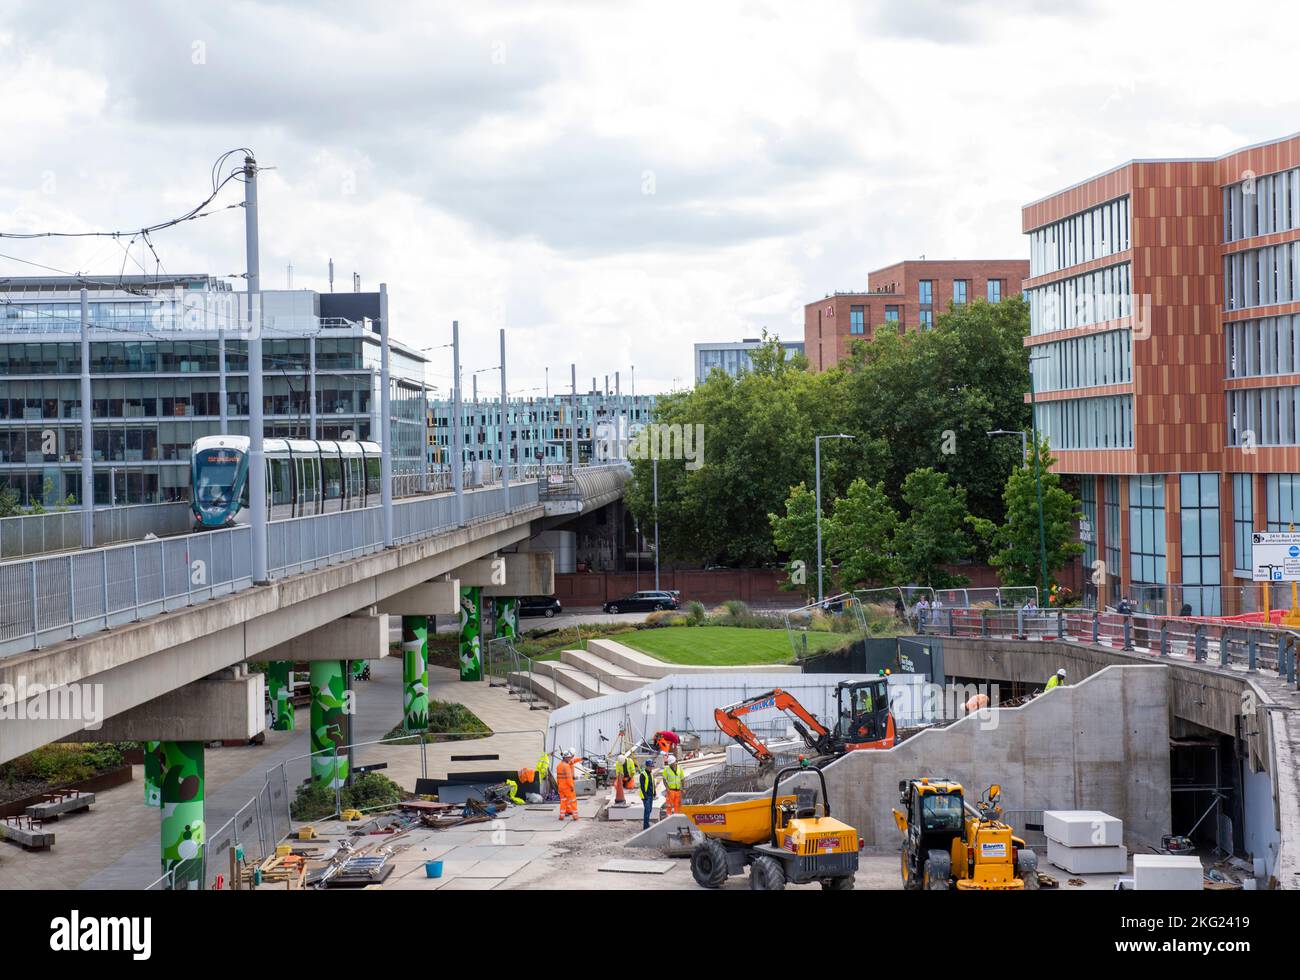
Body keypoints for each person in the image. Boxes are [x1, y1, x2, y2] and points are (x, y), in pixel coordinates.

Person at [556, 748, 582, 821]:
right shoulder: (566, 766)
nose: (570, 758)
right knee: (573, 801)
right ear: (566, 757)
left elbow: (558, 777)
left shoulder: (558, 765)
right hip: (567, 787)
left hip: (560, 787)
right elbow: (568, 778)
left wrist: (558, 786)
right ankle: (575, 816)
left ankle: (561, 816)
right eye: (569, 757)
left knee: (563, 801)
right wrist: (572, 786)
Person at [638, 758, 657, 830]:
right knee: (647, 810)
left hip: (651, 795)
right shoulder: (643, 774)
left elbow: (652, 784)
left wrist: (654, 792)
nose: (651, 768)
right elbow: (642, 786)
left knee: (649, 810)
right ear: (646, 766)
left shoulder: (651, 774)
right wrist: (645, 796)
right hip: (646, 796)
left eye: (652, 766)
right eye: (650, 766)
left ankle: (647, 823)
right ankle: (646, 827)